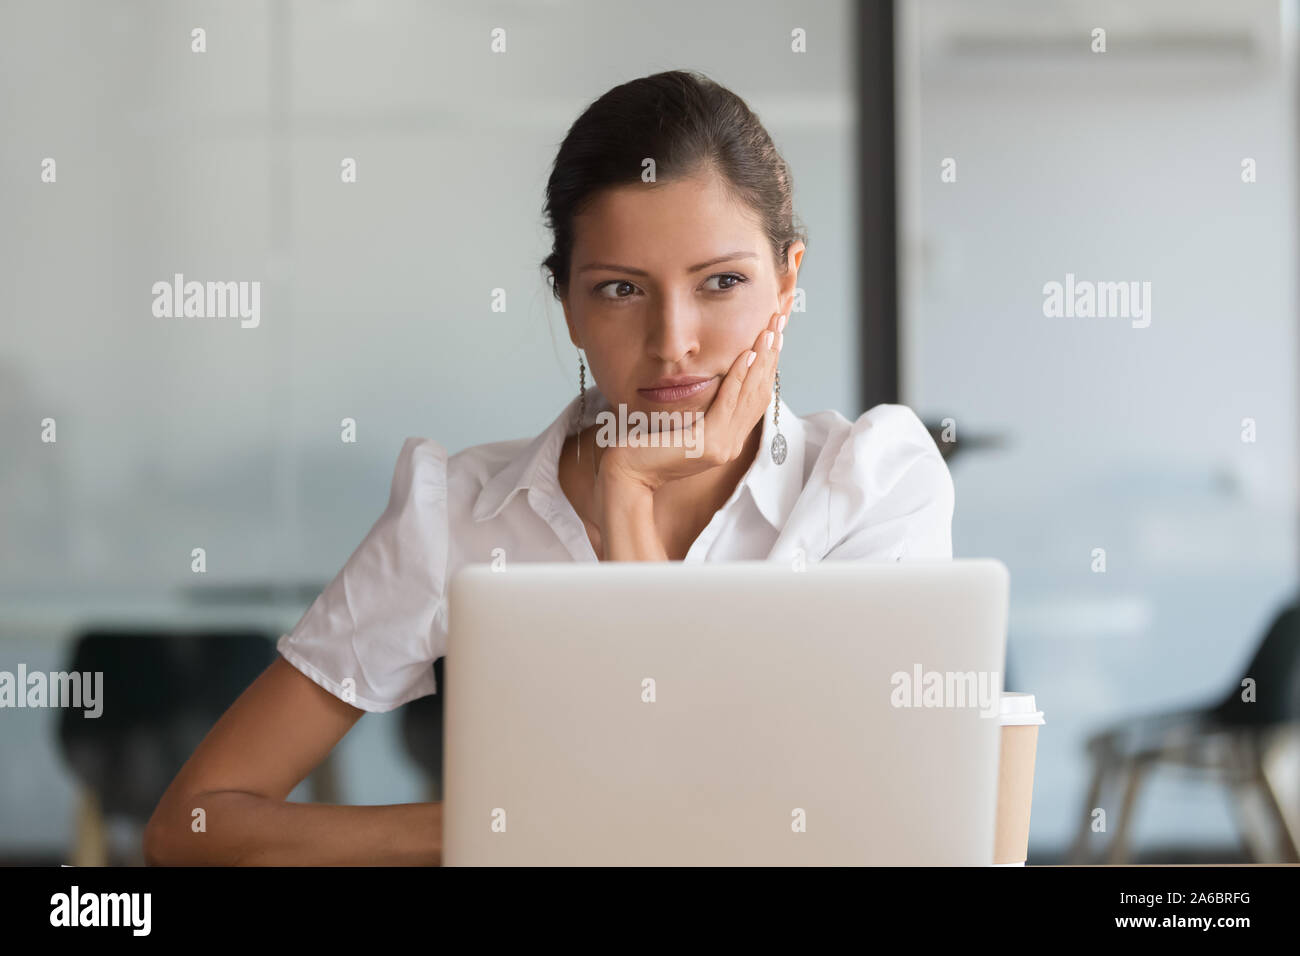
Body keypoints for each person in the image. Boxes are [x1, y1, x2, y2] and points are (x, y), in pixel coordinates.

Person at [143, 69, 954, 866]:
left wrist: (630, 496)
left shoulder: (872, 489)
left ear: (787, 282)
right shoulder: (459, 514)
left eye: (721, 283)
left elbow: (744, 827)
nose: (674, 341)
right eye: (621, 290)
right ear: (566, 303)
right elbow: (192, 827)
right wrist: (492, 827)